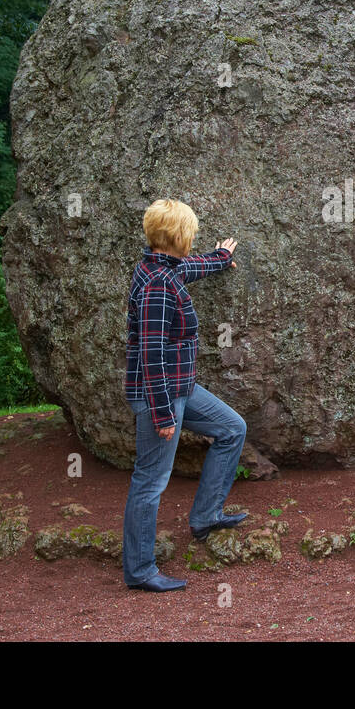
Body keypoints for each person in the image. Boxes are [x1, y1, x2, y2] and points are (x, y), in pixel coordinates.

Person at [122, 198, 248, 592]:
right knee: (151, 481)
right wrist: (163, 416)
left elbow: (189, 268)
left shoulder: (160, 268)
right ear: (176, 236)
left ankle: (206, 515)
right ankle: (140, 571)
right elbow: (152, 355)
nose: (192, 237)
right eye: (189, 232)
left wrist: (220, 257)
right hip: (161, 394)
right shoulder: (159, 286)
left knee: (231, 429)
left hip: (181, 388)